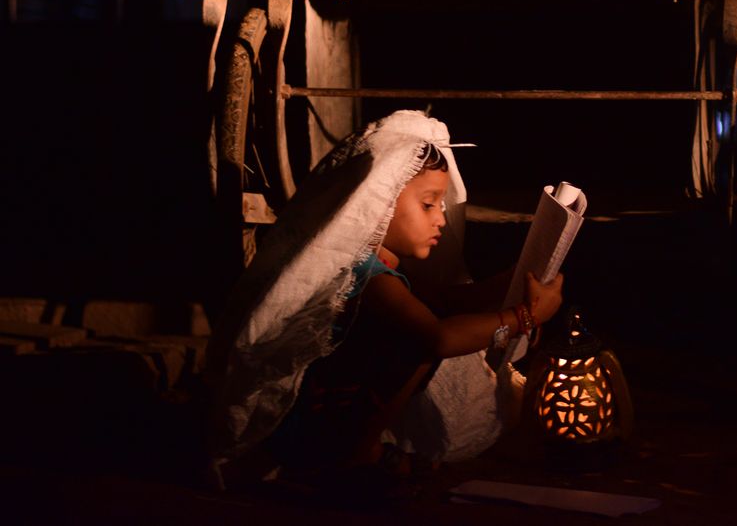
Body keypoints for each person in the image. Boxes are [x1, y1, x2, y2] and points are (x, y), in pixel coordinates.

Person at [203, 109, 563, 498]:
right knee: (417, 344)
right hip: (309, 432)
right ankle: (348, 460)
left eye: (441, 205)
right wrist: (524, 317)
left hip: (329, 418)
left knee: (428, 322)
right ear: (380, 203)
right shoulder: (367, 277)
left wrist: (518, 279)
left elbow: (444, 299)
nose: (440, 218)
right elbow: (438, 338)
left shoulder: (376, 266)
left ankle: (360, 451)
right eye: (428, 204)